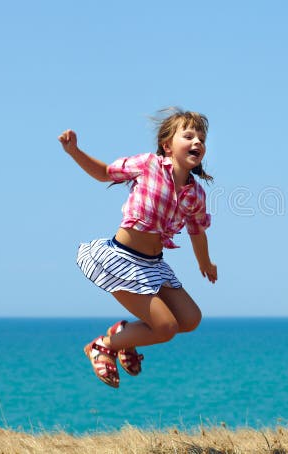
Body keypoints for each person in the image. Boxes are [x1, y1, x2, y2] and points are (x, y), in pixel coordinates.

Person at [59, 108, 218, 388]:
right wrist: (75, 152)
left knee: (191, 319)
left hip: (154, 266)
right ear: (167, 146)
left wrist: (204, 262)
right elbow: (105, 173)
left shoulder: (195, 194)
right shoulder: (148, 165)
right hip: (122, 260)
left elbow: (197, 230)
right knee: (166, 328)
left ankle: (125, 337)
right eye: (189, 135)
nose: (197, 142)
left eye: (202, 139)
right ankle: (103, 345)